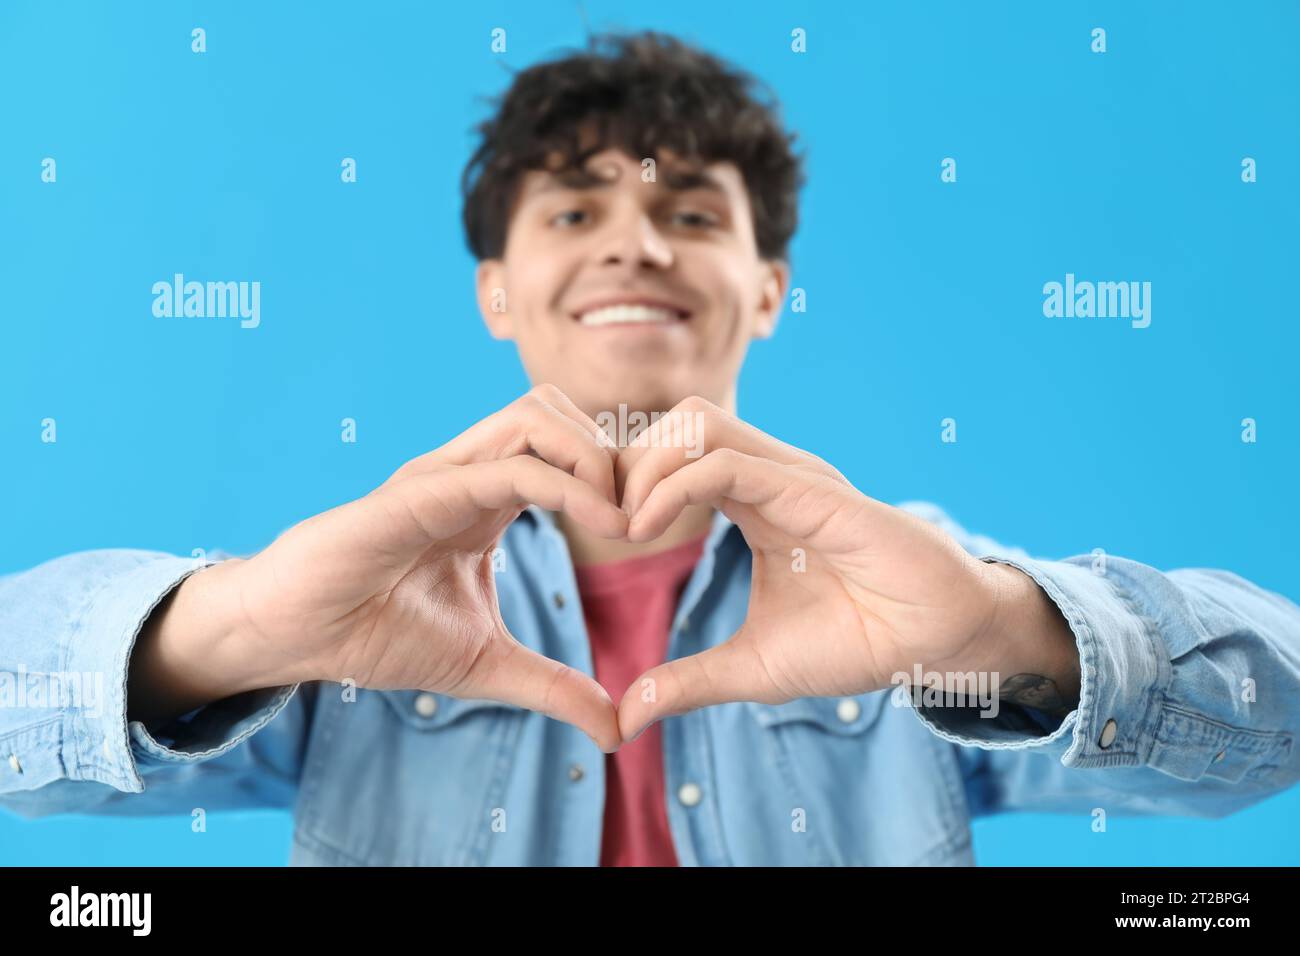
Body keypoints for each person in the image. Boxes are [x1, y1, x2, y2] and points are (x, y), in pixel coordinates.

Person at [2, 32, 1297, 867]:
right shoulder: (355, 606)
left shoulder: (910, 591)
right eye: (575, 209)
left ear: (769, 287)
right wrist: (223, 634)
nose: (636, 246)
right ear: (497, 294)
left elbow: (1282, 724)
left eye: (691, 211)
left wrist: (1016, 638)